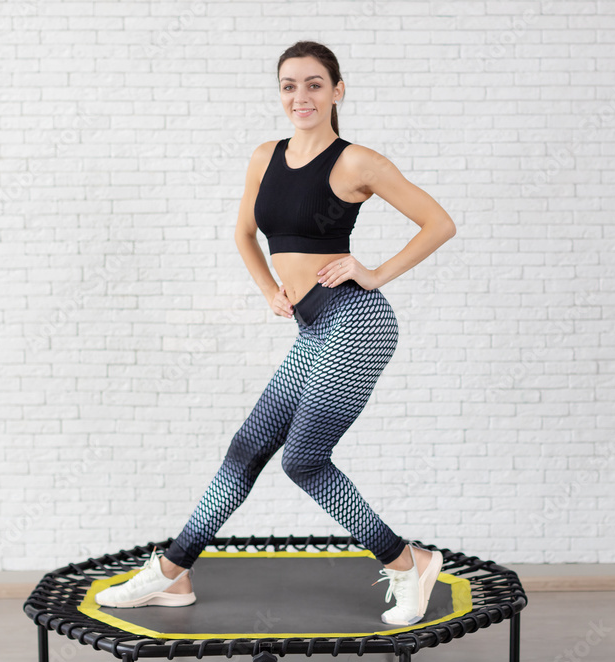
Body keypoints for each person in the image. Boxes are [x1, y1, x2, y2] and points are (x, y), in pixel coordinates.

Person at [97, 40, 457, 626]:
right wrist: (269, 288)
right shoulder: (265, 156)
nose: (301, 96)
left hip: (356, 323)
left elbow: (439, 222)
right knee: (246, 450)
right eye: (289, 85)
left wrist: (374, 271)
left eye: (314, 84)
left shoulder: (356, 162)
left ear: (337, 91)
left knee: (304, 461)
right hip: (313, 329)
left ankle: (407, 562)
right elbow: (244, 234)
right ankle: (173, 572)